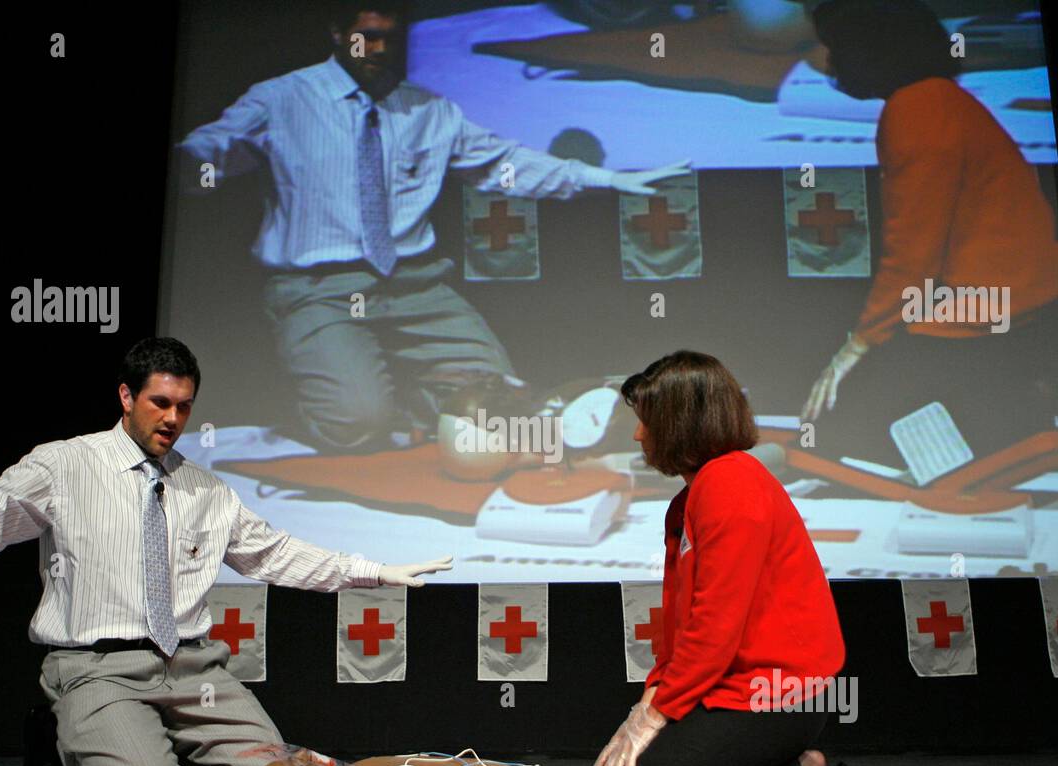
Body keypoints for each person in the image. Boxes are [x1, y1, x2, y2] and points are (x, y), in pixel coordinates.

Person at [0, 337, 451, 766]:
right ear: (126, 397)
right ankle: (76, 759)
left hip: (192, 670)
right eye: (160, 402)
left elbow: (274, 554)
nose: (173, 418)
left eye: (184, 407)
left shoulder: (205, 490)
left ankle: (165, 761)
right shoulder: (65, 465)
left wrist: (373, 571)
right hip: (98, 668)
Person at [178, 0, 689, 454]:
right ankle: (356, 397)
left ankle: (411, 400)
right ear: (338, 33)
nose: (378, 48)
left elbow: (506, 162)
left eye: (391, 38)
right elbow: (212, 150)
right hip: (319, 289)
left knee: (494, 406)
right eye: (366, 35)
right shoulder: (281, 99)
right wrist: (194, 163)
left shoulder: (429, 111)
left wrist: (607, 179)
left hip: (416, 286)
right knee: (357, 423)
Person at [799, 0, 1058, 466]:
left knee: (837, 433)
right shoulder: (941, 98)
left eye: (835, 46)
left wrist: (856, 347)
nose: (829, 61)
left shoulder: (916, 108)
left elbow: (913, 254)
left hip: (979, 311)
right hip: (1010, 302)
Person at [584, 350, 845, 766]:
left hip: (774, 696)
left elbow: (715, 628)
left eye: (646, 422)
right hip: (736, 689)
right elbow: (684, 628)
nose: (638, 435)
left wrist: (654, 717)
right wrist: (648, 703)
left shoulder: (731, 484)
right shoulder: (692, 497)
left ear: (679, 424)